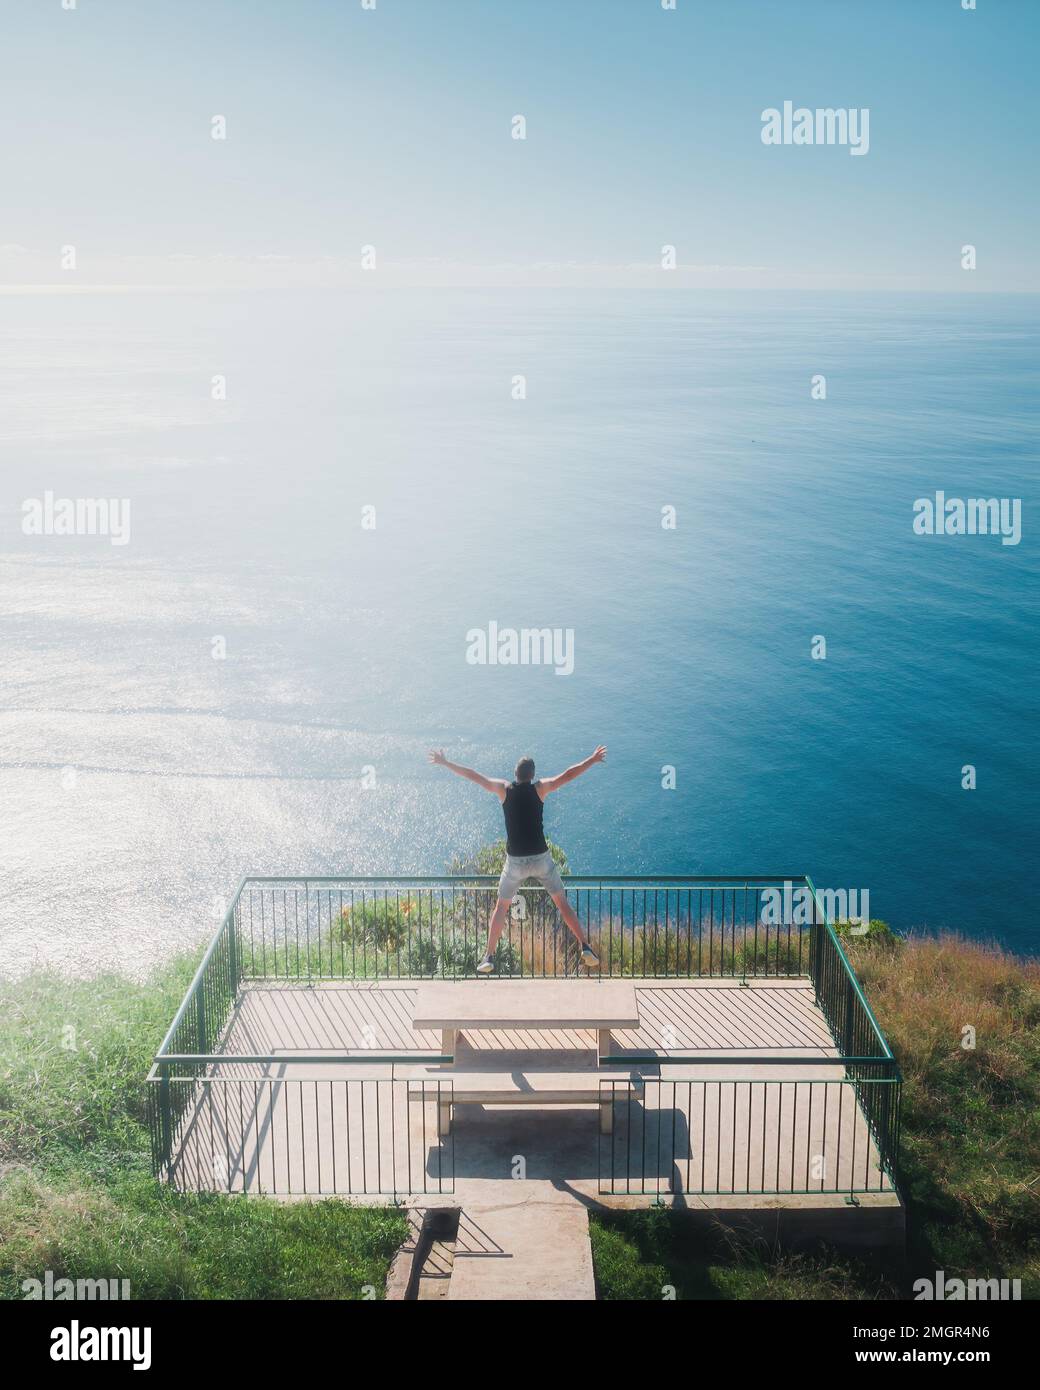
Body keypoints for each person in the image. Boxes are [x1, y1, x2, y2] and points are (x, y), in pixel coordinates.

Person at [427, 746, 607, 973]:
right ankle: (584, 945)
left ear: (515, 773)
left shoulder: (504, 790)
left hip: (515, 862)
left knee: (501, 907)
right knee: (562, 903)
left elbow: (474, 776)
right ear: (532, 775)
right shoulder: (540, 789)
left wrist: (446, 763)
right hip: (541, 858)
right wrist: (591, 759)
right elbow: (568, 775)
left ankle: (489, 957)